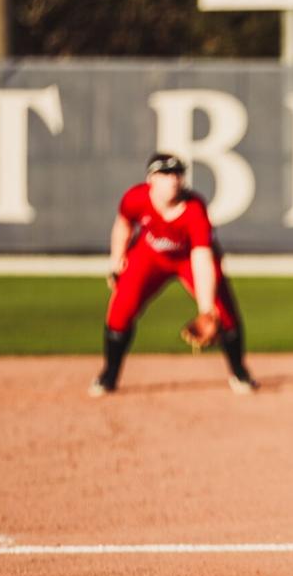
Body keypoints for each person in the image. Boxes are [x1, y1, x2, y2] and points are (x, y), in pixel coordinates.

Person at [89, 153, 257, 396]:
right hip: (150, 256)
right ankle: (109, 375)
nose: (174, 179)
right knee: (120, 309)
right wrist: (116, 259)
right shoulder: (135, 198)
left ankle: (239, 373)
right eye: (166, 174)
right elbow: (124, 224)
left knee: (224, 312)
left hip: (188, 259)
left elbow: (201, 258)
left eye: (178, 174)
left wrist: (205, 308)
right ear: (151, 179)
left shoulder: (194, 208)